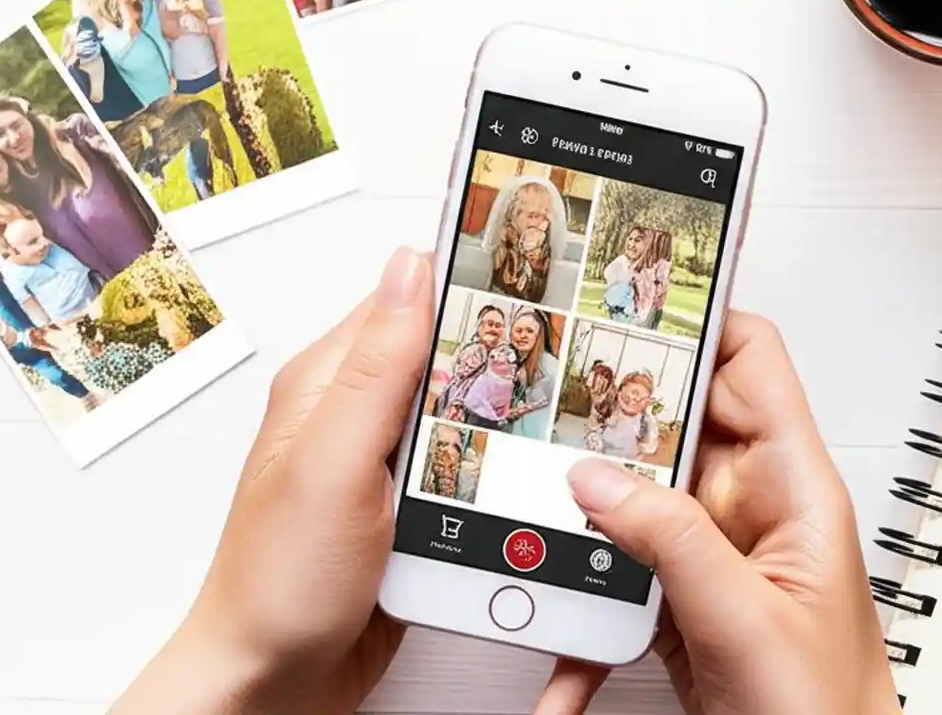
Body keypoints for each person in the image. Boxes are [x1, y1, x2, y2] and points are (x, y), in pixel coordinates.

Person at [106, 247, 900, 714]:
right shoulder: (480, 356)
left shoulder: (543, 372)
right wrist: (243, 657)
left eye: (512, 326)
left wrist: (234, 658)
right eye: (495, 324)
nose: (502, 329)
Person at [0, 133, 102, 410]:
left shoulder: (10, 181)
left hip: (21, 265)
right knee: (39, 345)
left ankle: (93, 363)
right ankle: (84, 395)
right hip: (1, 285)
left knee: (58, 329)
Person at [0, 93, 159, 281]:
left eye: (16, 124)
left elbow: (139, 164)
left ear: (27, 118)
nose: (14, 139)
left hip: (160, 259)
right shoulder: (16, 199)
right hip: (119, 293)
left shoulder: (77, 135)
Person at [156, 0, 230, 200]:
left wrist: (224, 69)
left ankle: (228, 176)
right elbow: (166, 30)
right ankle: (201, 182)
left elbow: (217, 27)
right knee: (195, 135)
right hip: (182, 79)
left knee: (221, 130)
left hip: (212, 71)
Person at [0, 216, 99, 326]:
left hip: (100, 296)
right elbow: (45, 323)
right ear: (13, 251)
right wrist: (87, 312)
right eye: (33, 242)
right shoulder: (14, 275)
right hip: (78, 322)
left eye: (42, 235)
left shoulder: (52, 247)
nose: (45, 242)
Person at [482, 176, 567, 304]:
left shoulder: (543, 247)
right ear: (514, 215)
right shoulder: (506, 239)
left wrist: (536, 259)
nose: (538, 222)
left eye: (544, 217)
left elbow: (542, 281)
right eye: (532, 216)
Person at [431, 304, 504, 422]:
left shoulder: (501, 355)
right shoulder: (474, 349)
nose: (493, 329)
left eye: (498, 326)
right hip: (456, 410)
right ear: (480, 327)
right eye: (489, 324)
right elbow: (464, 372)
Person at [505, 307, 558, 439]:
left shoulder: (549, 363)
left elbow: (542, 399)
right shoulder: (511, 359)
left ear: (538, 336)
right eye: (518, 331)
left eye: (529, 331)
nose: (523, 335)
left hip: (533, 432)